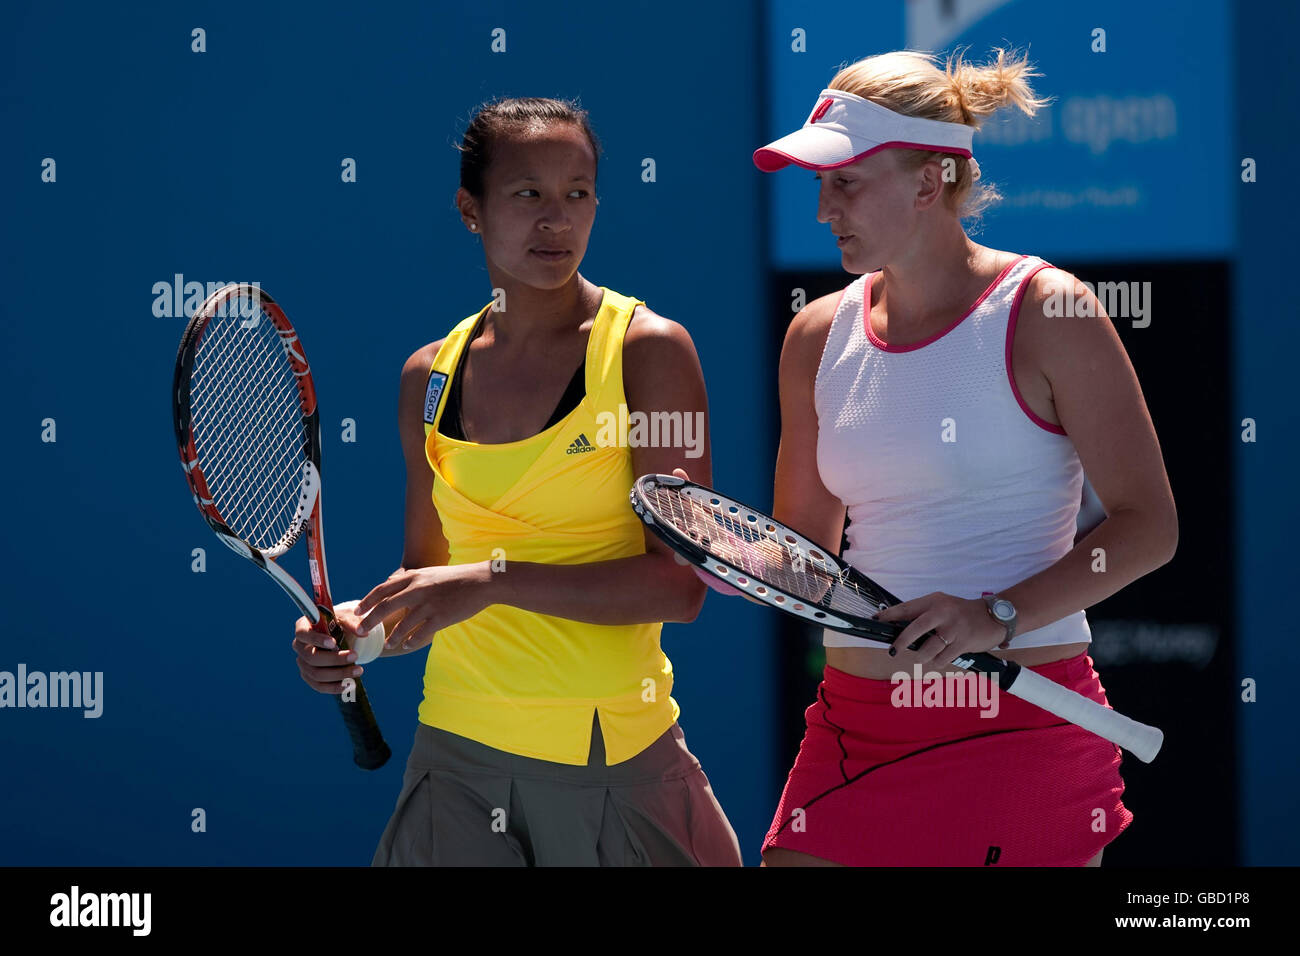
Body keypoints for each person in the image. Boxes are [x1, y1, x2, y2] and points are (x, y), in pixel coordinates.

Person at [750, 49, 1178, 866]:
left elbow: (1149, 527)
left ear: (929, 181)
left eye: (845, 180)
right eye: (819, 183)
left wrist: (996, 614)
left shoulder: (1050, 310)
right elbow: (799, 548)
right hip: (854, 722)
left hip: (1021, 729)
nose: (822, 208)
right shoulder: (814, 335)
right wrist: (730, 559)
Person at [292, 96, 741, 867]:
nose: (556, 220)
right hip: (457, 753)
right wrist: (351, 633)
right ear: (471, 209)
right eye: (528, 193)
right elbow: (429, 579)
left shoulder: (649, 352)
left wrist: (493, 580)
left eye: (577, 193)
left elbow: (681, 587)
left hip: (610, 757)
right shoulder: (425, 377)